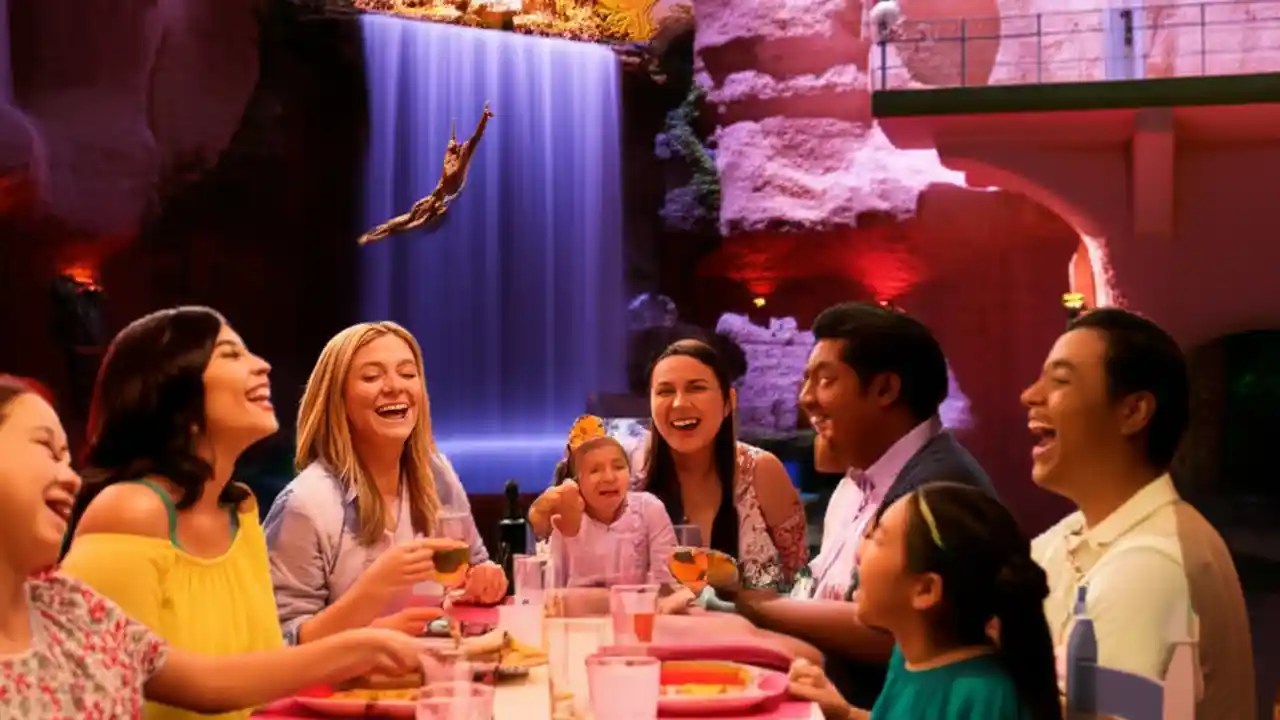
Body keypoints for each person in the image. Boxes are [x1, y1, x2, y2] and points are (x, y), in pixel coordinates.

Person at [0, 375, 424, 719]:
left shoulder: (70, 607)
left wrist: (362, 648)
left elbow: (212, 684)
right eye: (46, 449)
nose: (72, 479)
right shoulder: (132, 513)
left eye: (67, 458)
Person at [736, 302, 995, 708]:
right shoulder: (858, 480)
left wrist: (752, 604)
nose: (806, 399)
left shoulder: (938, 490)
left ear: (885, 390)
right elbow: (819, 592)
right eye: (807, 381)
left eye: (825, 380)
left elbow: (892, 633)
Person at [58, 307, 290, 720]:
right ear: (174, 389)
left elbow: (260, 677)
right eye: (231, 354)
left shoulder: (241, 509)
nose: (262, 365)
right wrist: (355, 651)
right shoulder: (131, 510)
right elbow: (97, 690)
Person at [1022, 308, 1255, 719]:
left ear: (1133, 412)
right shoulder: (1065, 538)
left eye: (1059, 381)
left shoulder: (1151, 564)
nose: (1030, 395)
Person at [264, 321, 507, 646]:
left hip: (429, 675)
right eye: (371, 376)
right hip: (345, 690)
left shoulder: (437, 473)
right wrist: (373, 597)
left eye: (408, 374)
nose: (395, 387)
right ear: (338, 399)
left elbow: (474, 564)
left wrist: (486, 579)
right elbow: (280, 642)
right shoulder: (305, 504)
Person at [531, 339, 808, 592]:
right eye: (665, 391)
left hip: (751, 637)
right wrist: (545, 520)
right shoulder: (623, 468)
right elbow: (560, 549)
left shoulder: (762, 471)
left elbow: (800, 581)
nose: (679, 403)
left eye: (696, 388)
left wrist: (738, 587)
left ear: (728, 402)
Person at [788, 483, 1061, 720]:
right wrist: (845, 713)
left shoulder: (982, 697)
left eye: (877, 539)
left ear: (926, 590)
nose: (860, 551)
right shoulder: (908, 657)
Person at [546, 414, 676, 587]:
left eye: (618, 466)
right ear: (577, 481)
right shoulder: (566, 520)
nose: (609, 477)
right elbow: (552, 594)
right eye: (595, 470)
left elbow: (668, 585)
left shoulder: (650, 510)